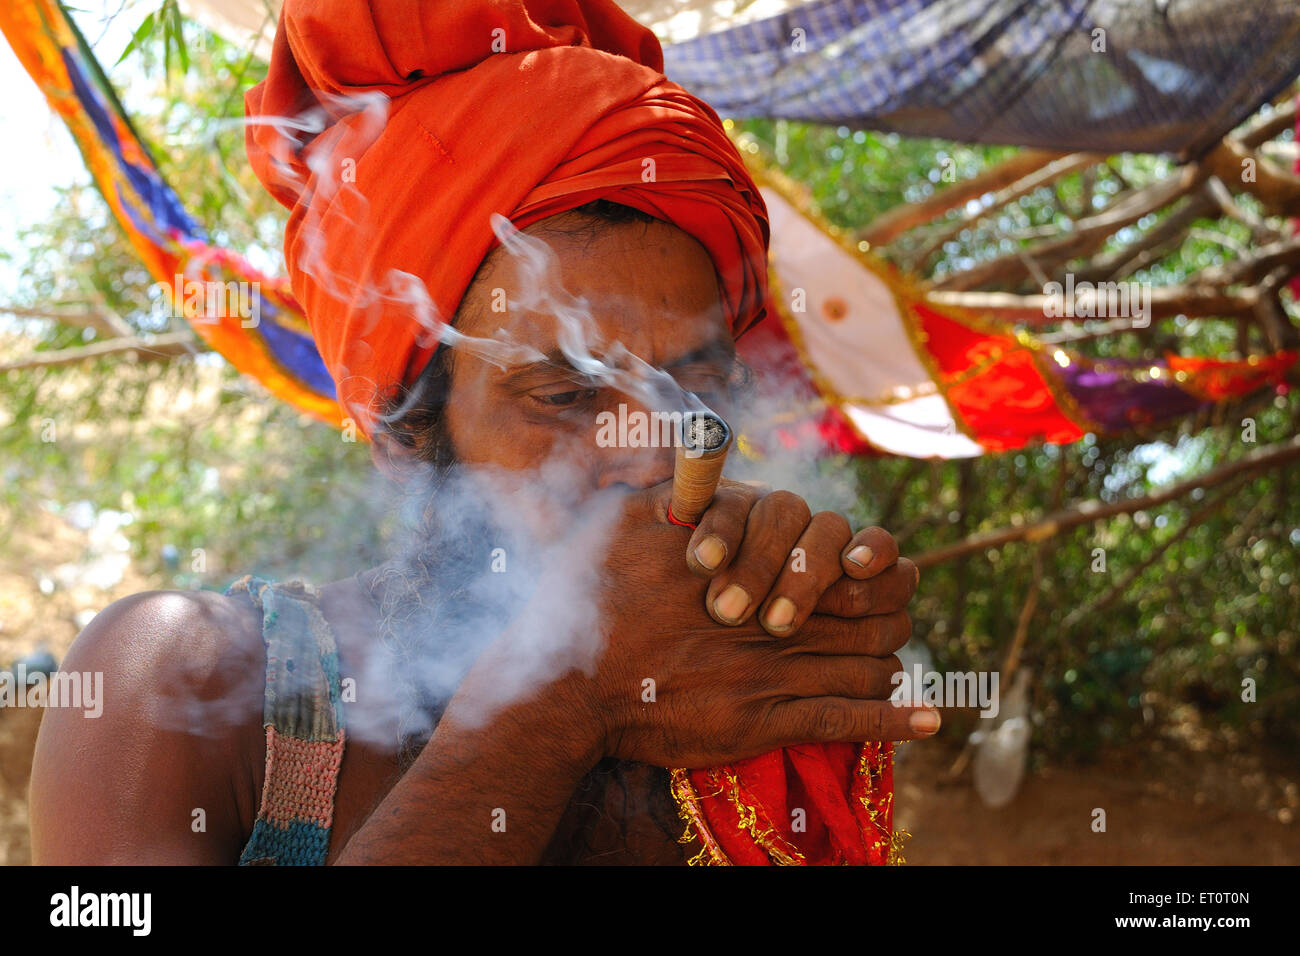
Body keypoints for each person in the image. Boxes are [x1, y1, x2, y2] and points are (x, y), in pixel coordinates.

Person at [29, 0, 938, 865]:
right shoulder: (177, 683)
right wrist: (564, 705)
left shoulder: (726, 695)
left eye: (694, 390)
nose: (655, 451)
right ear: (405, 436)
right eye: (564, 397)